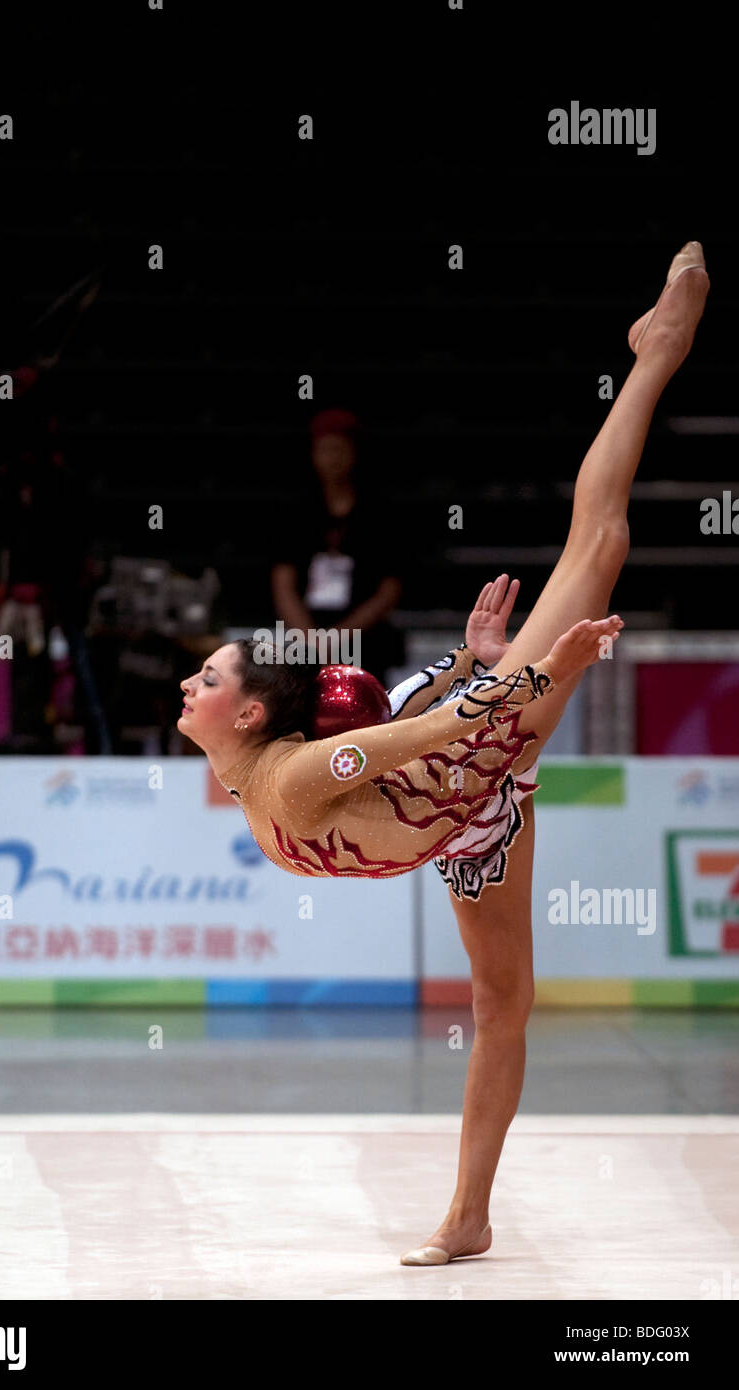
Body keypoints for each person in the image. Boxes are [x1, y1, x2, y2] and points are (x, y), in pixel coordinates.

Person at [178, 242, 710, 1265]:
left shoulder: (284, 775)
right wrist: (478, 664)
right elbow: (398, 738)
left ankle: (656, 351)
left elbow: (425, 730)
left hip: (464, 754)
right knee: (502, 1000)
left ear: (249, 718)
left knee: (597, 545)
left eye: (207, 679)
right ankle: (470, 1214)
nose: (189, 686)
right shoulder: (262, 771)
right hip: (455, 807)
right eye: (202, 677)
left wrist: (527, 677)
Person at [270, 408, 405, 683]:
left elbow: (389, 590)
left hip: (365, 639)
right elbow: (283, 584)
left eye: (339, 450)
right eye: (325, 450)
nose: (332, 459)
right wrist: (313, 642)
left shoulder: (380, 513)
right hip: (306, 637)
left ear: (354, 452)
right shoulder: (297, 512)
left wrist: (339, 638)